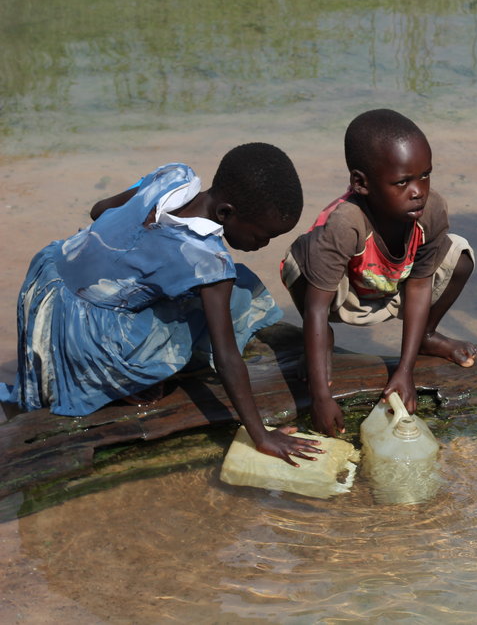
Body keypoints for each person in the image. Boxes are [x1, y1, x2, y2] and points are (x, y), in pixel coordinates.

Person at [0, 142, 324, 466]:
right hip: (90, 341)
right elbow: (227, 358)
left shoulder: (172, 176)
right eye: (261, 236)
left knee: (169, 290)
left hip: (46, 285)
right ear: (226, 213)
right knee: (243, 292)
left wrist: (137, 254)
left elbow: (99, 210)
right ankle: (127, 380)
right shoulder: (209, 262)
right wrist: (262, 436)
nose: (263, 245)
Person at [281, 109, 476, 437]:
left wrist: (405, 370)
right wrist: (320, 396)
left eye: (424, 176)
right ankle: (320, 343)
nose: (418, 191)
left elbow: (419, 286)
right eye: (402, 182)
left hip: (393, 287)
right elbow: (316, 307)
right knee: (299, 261)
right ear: (361, 183)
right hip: (339, 297)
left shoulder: (431, 212)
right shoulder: (346, 223)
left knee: (461, 254)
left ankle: (426, 336)